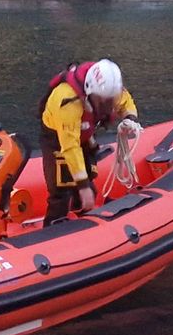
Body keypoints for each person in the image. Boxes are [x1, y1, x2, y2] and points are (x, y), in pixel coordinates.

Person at [38, 58, 141, 226]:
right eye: (104, 100)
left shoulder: (110, 90)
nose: (108, 105)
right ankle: (52, 229)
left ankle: (82, 220)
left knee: (89, 181)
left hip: (85, 134)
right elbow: (70, 146)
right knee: (60, 192)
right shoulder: (67, 101)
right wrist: (82, 186)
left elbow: (125, 100)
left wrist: (130, 118)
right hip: (57, 138)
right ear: (90, 92)